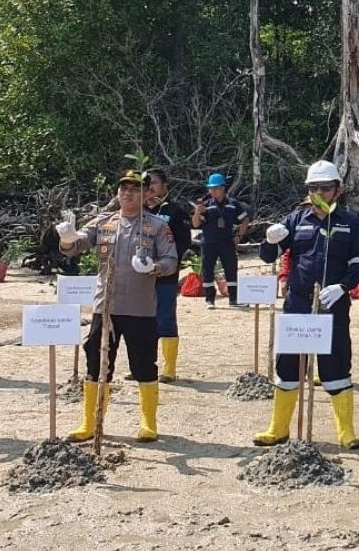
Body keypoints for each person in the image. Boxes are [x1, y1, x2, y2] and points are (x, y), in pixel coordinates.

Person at [253, 160, 359, 449]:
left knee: (336, 363)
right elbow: (269, 256)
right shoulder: (296, 219)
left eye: (325, 188)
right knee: (288, 364)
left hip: (333, 304)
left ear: (338, 190)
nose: (319, 192)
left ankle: (346, 432)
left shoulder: (351, 223)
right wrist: (269, 241)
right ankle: (277, 429)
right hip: (298, 303)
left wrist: (343, 287)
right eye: (314, 187)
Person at [57, 170, 179, 442]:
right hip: (106, 307)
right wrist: (66, 238)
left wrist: (155, 267)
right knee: (96, 363)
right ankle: (91, 421)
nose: (128, 193)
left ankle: (148, 422)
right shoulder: (104, 223)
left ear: (147, 193)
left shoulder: (158, 226)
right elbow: (77, 244)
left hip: (140, 308)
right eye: (123, 188)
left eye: (135, 189)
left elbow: (172, 259)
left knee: (144, 364)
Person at [145, 169, 193, 382]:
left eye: (154, 182)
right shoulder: (137, 210)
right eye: (146, 183)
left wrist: (166, 263)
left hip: (165, 276)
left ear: (165, 185)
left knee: (164, 318)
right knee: (142, 321)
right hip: (139, 278)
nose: (150, 187)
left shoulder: (175, 211)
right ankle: (144, 365)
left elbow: (183, 242)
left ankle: (169, 369)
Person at [191, 173, 249, 308]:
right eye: (210, 188)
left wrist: (239, 236)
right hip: (209, 242)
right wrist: (197, 213)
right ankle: (209, 299)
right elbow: (195, 224)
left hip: (227, 242)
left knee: (231, 270)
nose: (212, 191)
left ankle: (234, 299)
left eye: (215, 188)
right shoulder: (205, 205)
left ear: (223, 188)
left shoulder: (233, 204)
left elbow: (245, 219)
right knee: (208, 270)